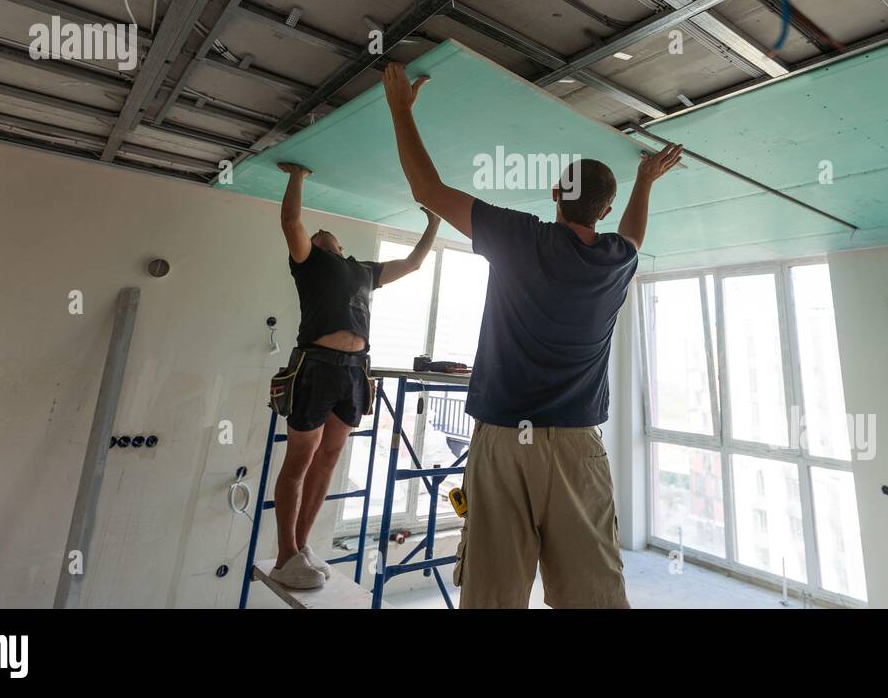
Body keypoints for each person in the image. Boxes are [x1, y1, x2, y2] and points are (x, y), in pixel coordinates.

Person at [381, 61, 682, 608]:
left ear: (553, 195)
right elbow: (634, 232)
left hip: (501, 441)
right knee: (593, 595)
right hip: (576, 447)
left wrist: (401, 110)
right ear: (605, 209)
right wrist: (643, 181)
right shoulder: (616, 260)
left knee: (492, 593)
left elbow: (426, 187)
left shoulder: (519, 237)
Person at [268, 162, 439, 590]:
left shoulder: (364, 270)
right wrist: (298, 175)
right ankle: (284, 554)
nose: (322, 231)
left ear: (341, 247)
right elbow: (291, 220)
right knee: (300, 461)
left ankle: (302, 546)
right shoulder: (308, 262)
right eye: (318, 233)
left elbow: (416, 263)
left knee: (328, 460)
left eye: (329, 233)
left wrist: (434, 223)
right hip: (315, 366)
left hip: (355, 372)